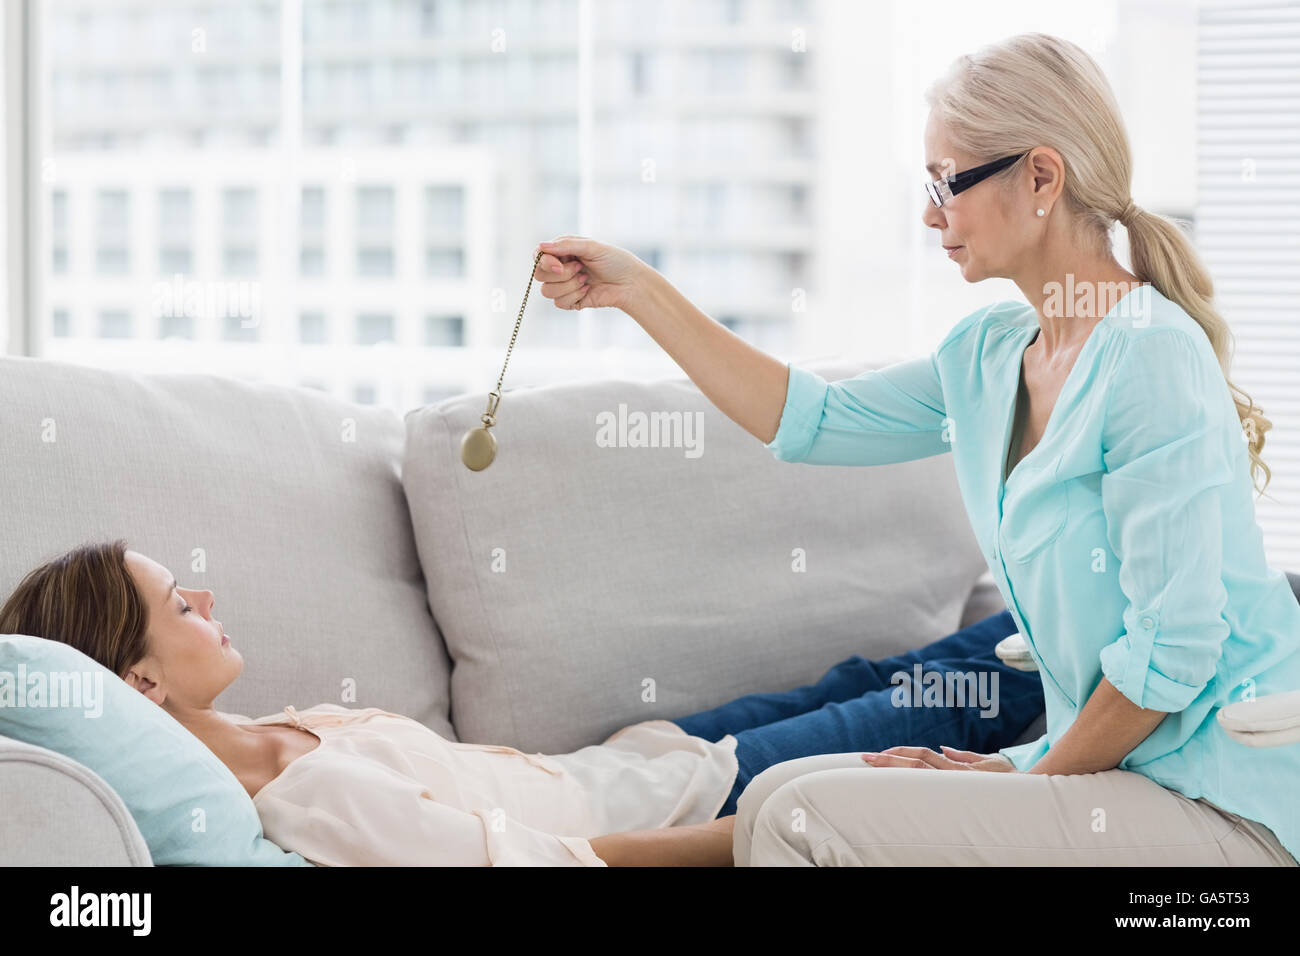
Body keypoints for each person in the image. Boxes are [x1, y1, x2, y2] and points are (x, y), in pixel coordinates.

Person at [530, 33, 1300, 867]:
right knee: (772, 792)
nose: (932, 213)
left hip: (1223, 800)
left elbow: (1174, 653)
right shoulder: (989, 353)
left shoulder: (1150, 353)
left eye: (947, 182)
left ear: (1041, 177)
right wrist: (637, 290)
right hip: (1115, 773)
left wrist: (1022, 779)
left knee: (805, 818)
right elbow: (808, 417)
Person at [0, 539, 1043, 866]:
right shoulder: (296, 793)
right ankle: (1152, 653)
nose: (209, 598)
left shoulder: (278, 732)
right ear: (139, 681)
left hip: (658, 752)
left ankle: (1111, 635)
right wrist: (764, 829)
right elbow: (543, 867)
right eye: (180, 603)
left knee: (885, 679)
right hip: (701, 801)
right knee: (948, 696)